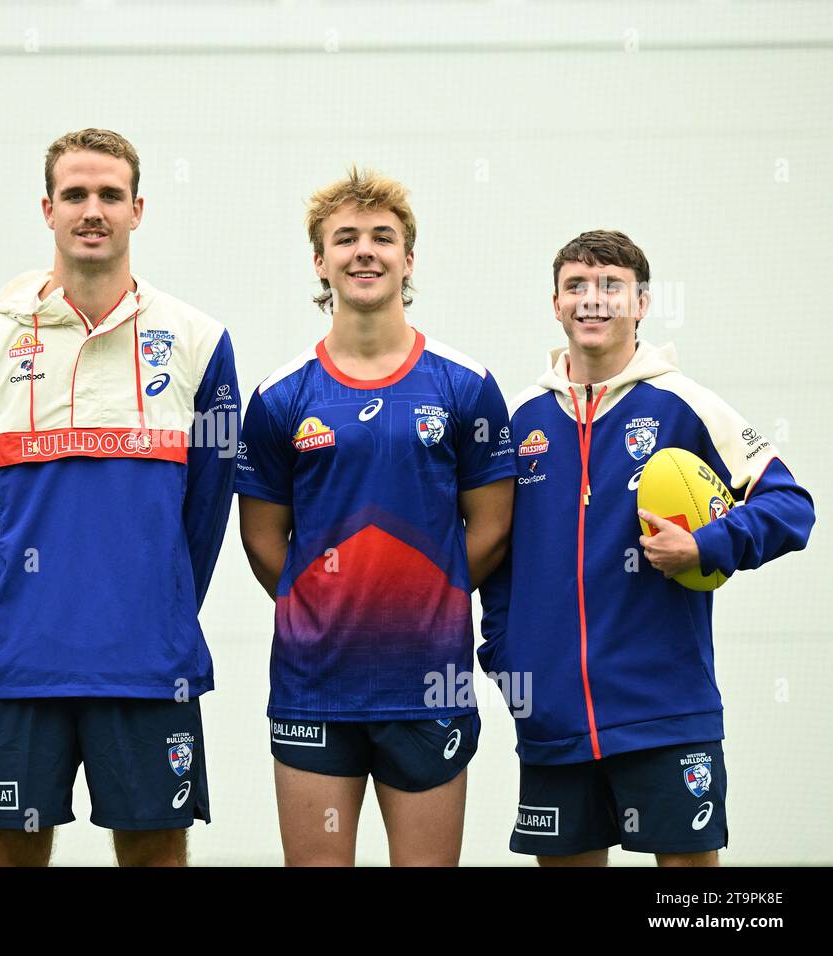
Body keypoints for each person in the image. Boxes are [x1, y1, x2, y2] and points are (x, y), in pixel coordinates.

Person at [0, 129, 239, 867]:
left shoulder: (198, 339)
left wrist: (157, 604)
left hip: (147, 661)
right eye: (75, 194)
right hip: (17, 662)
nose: (92, 210)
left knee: (155, 851)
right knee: (8, 851)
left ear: (139, 209)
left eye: (109, 195)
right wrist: (4, 616)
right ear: (47, 209)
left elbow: (208, 508)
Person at [479, 229, 815, 866]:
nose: (593, 300)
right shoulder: (516, 419)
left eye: (612, 286)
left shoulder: (686, 404)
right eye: (577, 285)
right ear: (555, 303)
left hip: (666, 711)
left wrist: (707, 545)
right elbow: (495, 555)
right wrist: (505, 652)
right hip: (555, 720)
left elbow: (790, 506)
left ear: (642, 303)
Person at [235, 168, 515, 866]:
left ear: (408, 259)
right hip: (314, 685)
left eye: (383, 237)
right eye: (346, 238)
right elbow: (263, 539)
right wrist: (328, 602)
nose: (365, 251)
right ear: (320, 261)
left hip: (429, 683)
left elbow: (492, 529)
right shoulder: (280, 396)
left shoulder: (464, 384)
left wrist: (428, 592)